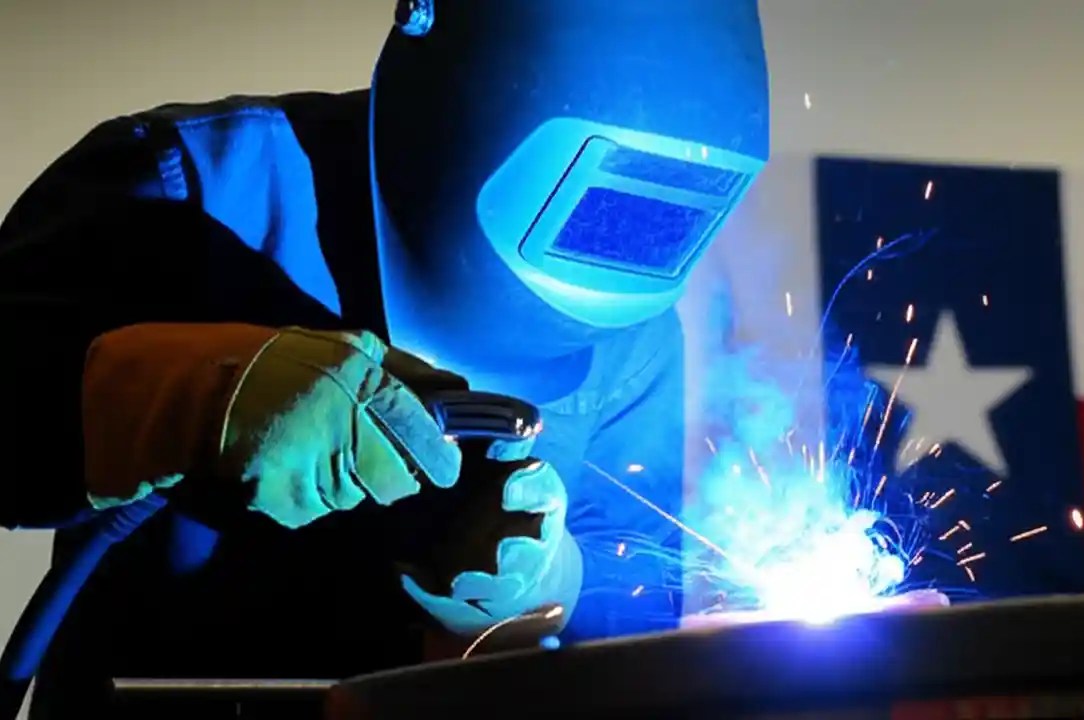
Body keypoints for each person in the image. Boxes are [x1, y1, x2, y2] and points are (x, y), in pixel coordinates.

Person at [0, 0, 769, 716]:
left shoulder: (636, 333)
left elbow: (634, 593)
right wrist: (184, 395)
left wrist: (550, 583)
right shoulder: (188, 187)